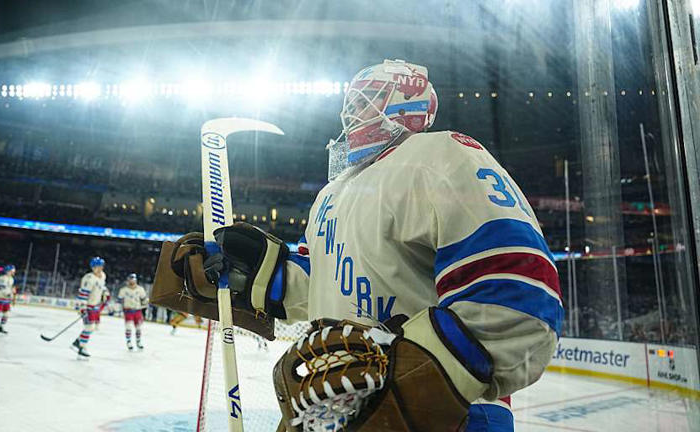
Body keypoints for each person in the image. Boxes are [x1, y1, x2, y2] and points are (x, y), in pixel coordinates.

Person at [174, 60, 561, 431]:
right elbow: (319, 284)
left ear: (407, 104)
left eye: (367, 100)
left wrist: (413, 383)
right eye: (351, 103)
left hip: (446, 415)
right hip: (337, 407)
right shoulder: (332, 192)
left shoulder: (441, 155)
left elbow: (516, 284)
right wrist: (253, 271)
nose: (352, 112)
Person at [71, 257, 109, 358]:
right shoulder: (88, 278)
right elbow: (83, 294)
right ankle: (82, 348)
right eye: (97, 267)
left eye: (101, 266)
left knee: (92, 327)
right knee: (89, 327)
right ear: (92, 268)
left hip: (95, 306)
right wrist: (82, 308)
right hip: (87, 306)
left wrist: (105, 292)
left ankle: (78, 342)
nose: (99, 269)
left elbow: (102, 287)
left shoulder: (103, 276)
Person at [116, 273, 148, 350]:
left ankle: (138, 342)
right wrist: (117, 308)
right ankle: (129, 342)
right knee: (129, 327)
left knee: (138, 327)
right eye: (130, 280)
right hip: (128, 310)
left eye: (133, 280)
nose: (132, 281)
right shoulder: (124, 290)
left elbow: (144, 299)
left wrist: (145, 303)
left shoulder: (140, 289)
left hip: (137, 310)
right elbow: (119, 300)